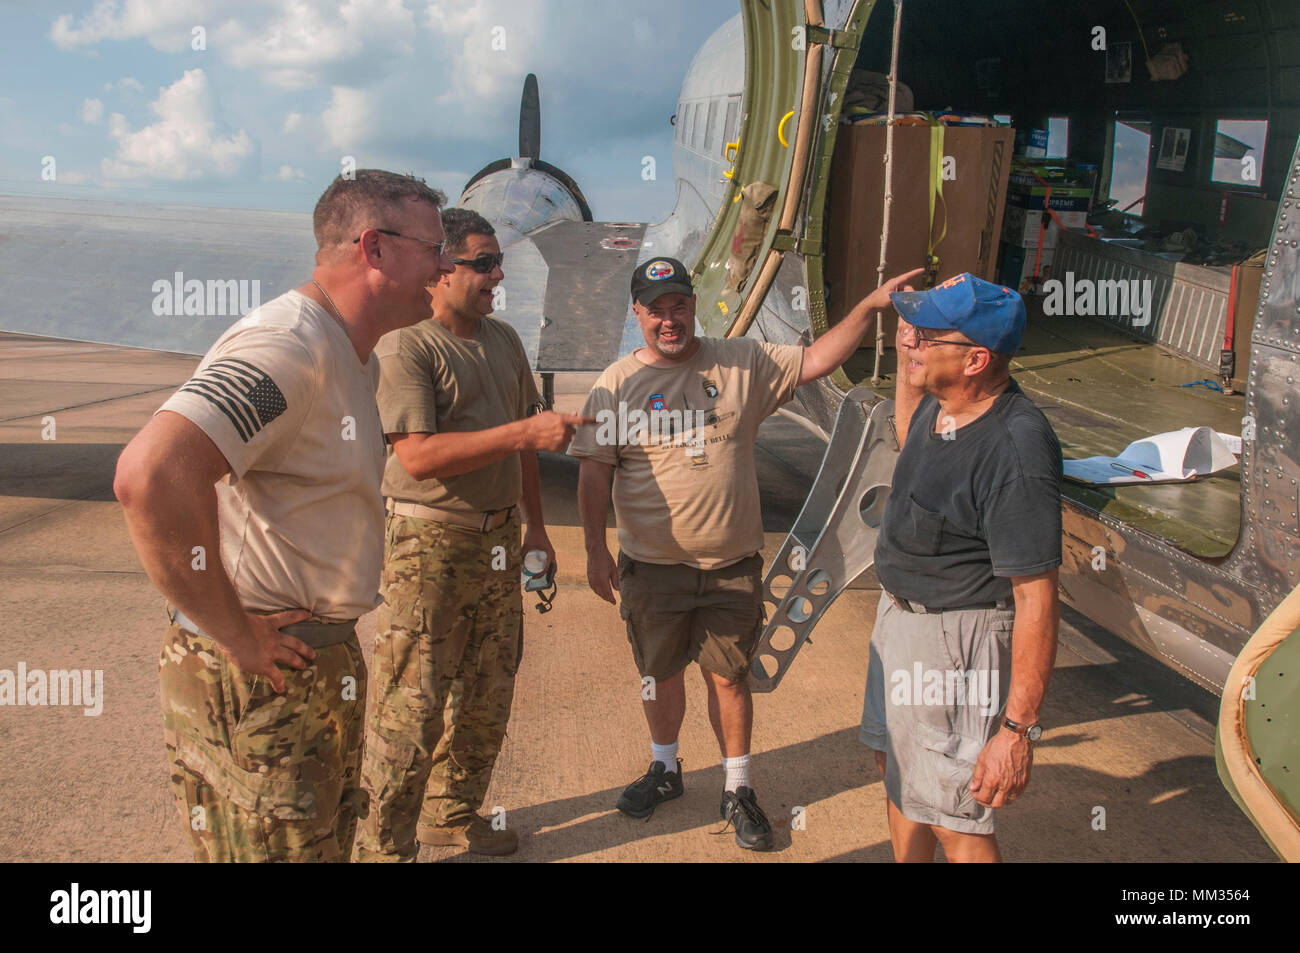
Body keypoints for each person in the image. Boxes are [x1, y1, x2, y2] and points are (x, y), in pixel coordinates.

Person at [114, 170, 452, 862]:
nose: (446, 267)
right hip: (265, 679)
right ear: (375, 248)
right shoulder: (290, 348)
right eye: (434, 248)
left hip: (307, 667)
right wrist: (235, 633)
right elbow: (153, 476)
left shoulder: (347, 351)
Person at [570, 256, 922, 850]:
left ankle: (737, 787)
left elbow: (817, 360)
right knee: (658, 676)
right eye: (656, 310)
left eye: (679, 305)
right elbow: (592, 476)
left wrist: (867, 307)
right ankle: (665, 769)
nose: (670, 319)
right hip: (652, 569)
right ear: (638, 314)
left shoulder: (741, 362)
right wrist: (594, 551)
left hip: (731, 569)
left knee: (729, 678)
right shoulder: (614, 385)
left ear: (693, 305)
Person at [353, 208, 590, 861]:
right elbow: (418, 456)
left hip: (498, 539)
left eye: (497, 261)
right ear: (441, 267)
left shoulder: (503, 339)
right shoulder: (409, 344)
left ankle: (450, 815)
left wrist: (537, 527)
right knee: (413, 701)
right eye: (483, 262)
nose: (497, 273)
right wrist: (523, 436)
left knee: (488, 685)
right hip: (428, 547)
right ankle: (381, 845)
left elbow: (525, 447)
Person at [860, 272, 1063, 863]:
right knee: (899, 769)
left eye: (927, 334)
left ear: (975, 359)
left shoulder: (1015, 451)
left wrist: (1017, 731)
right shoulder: (943, 403)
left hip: (956, 641)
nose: (912, 338)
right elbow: (909, 441)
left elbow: (1037, 600)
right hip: (902, 618)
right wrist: (906, 364)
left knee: (955, 813)